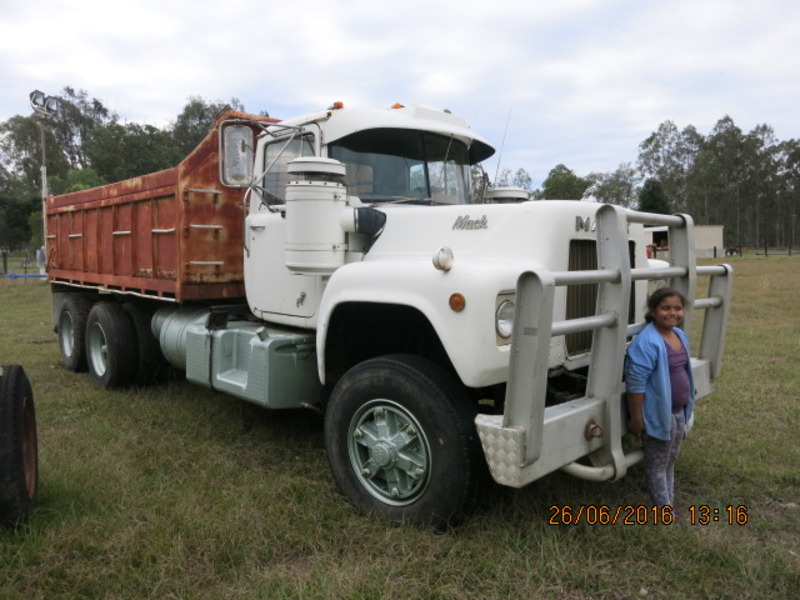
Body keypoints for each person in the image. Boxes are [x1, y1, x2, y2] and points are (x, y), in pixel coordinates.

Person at [625, 287, 695, 508]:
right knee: (657, 464)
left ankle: (669, 501)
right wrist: (637, 419)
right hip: (657, 414)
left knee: (670, 460)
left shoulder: (678, 334)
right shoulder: (646, 343)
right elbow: (636, 384)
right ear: (653, 311)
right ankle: (664, 510)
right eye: (665, 308)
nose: (672, 313)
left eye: (677, 308)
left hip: (678, 411)